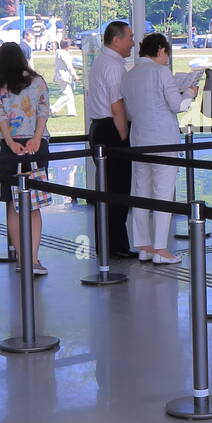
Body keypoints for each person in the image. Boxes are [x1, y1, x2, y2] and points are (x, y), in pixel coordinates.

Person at [121, 33, 196, 263]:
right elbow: (177, 105)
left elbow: (131, 110)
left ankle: (144, 246)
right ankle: (161, 249)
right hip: (163, 138)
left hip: (139, 138)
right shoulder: (161, 72)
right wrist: (190, 94)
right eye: (167, 54)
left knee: (140, 192)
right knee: (163, 193)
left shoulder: (130, 75)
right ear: (161, 50)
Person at [0, 42, 52, 274]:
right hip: (37, 144)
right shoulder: (37, 81)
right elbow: (44, 112)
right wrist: (35, 139)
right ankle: (34, 259)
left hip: (9, 147)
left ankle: (22, 260)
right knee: (34, 205)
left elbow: (0, 116)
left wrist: (11, 141)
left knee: (13, 205)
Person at [85, 21, 135, 257]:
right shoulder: (114, 66)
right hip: (111, 130)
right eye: (129, 38)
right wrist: (124, 136)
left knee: (108, 190)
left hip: (99, 128)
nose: (133, 43)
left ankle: (110, 244)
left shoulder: (101, 61)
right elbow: (117, 105)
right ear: (116, 40)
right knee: (117, 191)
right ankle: (116, 247)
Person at [51, 38, 80, 117]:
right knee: (66, 95)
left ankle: (71, 112)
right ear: (67, 46)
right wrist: (75, 75)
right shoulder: (64, 54)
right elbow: (69, 66)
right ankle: (53, 108)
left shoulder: (58, 52)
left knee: (69, 95)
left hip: (60, 76)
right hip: (64, 77)